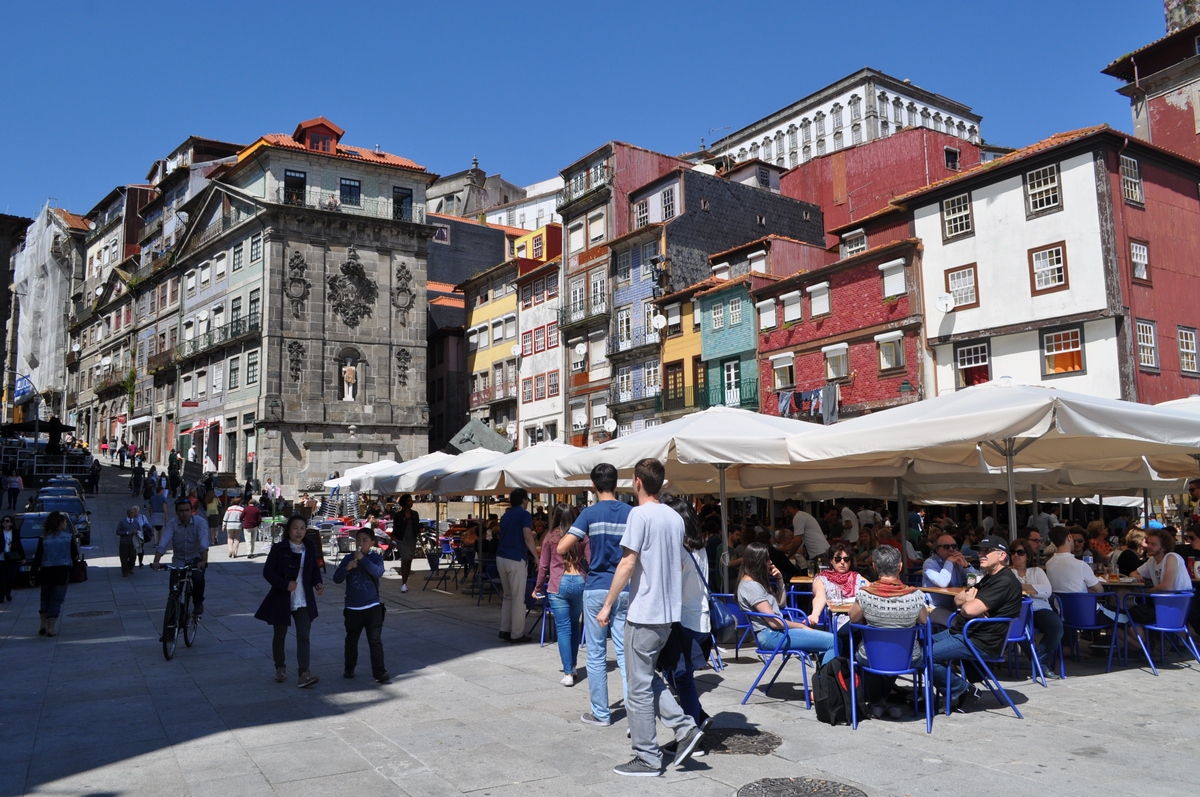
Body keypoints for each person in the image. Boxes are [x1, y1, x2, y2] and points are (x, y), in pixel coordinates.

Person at [596, 459, 703, 777]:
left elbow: (628, 563)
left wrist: (607, 605)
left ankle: (647, 756)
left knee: (639, 684)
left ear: (638, 481)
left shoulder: (639, 514)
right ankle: (685, 728)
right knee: (646, 678)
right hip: (668, 613)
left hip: (645, 610)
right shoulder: (674, 517)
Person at [560, 463, 632, 727]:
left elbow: (562, 547)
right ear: (617, 484)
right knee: (626, 654)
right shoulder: (630, 513)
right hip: (624, 588)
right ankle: (635, 713)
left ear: (593, 486)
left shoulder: (589, 514)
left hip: (596, 588)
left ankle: (601, 713)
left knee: (596, 653)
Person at [929, 535, 1024, 711]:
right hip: (962, 632)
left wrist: (970, 604)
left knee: (926, 656)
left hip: (978, 640)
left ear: (1002, 555)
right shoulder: (989, 578)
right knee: (918, 647)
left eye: (987, 551)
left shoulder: (1004, 581)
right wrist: (968, 601)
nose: (981, 554)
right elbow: (957, 600)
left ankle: (964, 691)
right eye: (980, 550)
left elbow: (968, 610)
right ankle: (954, 691)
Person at [848, 545, 930, 719]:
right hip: (907, 657)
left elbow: (853, 619)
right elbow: (924, 621)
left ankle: (877, 702)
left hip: (872, 655)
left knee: (871, 652)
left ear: (875, 567)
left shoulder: (864, 595)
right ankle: (881, 701)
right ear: (900, 567)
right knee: (894, 652)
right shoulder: (915, 596)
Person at [659, 493, 713, 731]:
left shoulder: (678, 551)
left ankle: (692, 730)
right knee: (680, 675)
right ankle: (699, 716)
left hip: (683, 621)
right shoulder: (699, 548)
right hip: (701, 619)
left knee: (682, 677)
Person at [738, 541, 837, 665]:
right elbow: (774, 622)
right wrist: (801, 626)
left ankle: (824, 678)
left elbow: (781, 603)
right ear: (758, 561)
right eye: (768, 559)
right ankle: (827, 681)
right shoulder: (751, 586)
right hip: (772, 636)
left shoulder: (755, 582)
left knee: (824, 644)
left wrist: (779, 579)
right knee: (834, 642)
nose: (771, 562)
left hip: (776, 633)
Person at [255, 515, 324, 687]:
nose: (299, 531)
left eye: (302, 528)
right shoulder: (279, 549)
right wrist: (284, 584)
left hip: (303, 598)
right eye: (295, 527)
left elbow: (314, 568)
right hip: (282, 597)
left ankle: (304, 673)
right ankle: (280, 667)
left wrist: (318, 583)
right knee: (280, 635)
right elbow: (268, 572)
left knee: (303, 635)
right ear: (288, 530)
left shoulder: (309, 546)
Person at [534, 502, 589, 686]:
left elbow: (543, 566)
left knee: (563, 629)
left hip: (559, 582)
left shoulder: (550, 537)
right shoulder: (581, 535)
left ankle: (568, 673)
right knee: (574, 625)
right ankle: (573, 666)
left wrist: (538, 588)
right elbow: (591, 559)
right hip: (580, 581)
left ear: (555, 516)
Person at [333, 527, 389, 684]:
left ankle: (379, 672)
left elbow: (378, 572)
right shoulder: (348, 559)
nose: (361, 543)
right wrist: (347, 568)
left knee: (375, 641)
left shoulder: (375, 558)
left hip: (372, 606)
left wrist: (363, 559)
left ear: (372, 543)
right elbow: (336, 578)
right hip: (352, 607)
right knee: (351, 640)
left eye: (365, 541)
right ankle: (349, 668)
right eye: (358, 540)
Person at [153, 498, 210, 627]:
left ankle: (198, 602)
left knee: (198, 577)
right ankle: (171, 627)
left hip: (196, 557)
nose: (184, 514)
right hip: (179, 559)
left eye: (187, 510)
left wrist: (203, 560)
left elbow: (203, 542)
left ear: (191, 511)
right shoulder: (172, 524)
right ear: (177, 512)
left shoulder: (200, 523)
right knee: (173, 592)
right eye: (181, 511)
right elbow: (164, 541)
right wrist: (156, 561)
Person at [1010, 537, 1063, 670]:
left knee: (1056, 628)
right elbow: (1007, 591)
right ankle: (1040, 665)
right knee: (1020, 631)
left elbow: (1047, 591)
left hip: (1040, 608)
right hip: (1017, 609)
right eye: (1013, 552)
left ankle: (1040, 661)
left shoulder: (1037, 571)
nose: (1016, 555)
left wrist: (1020, 586)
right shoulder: (1006, 572)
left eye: (1020, 552)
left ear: (1027, 555)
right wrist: (1034, 589)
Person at [496, 488, 537, 644]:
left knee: (507, 596)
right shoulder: (525, 515)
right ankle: (517, 633)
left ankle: (505, 629)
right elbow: (528, 537)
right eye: (527, 500)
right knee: (518, 598)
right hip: (515, 558)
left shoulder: (505, 516)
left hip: (501, 557)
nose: (527, 503)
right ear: (524, 500)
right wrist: (536, 556)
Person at [31, 512, 78, 637]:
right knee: (57, 599)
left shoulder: (44, 538)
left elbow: (38, 556)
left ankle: (43, 623)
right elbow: (75, 555)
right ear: (60, 523)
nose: (66, 523)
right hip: (62, 571)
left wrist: (33, 573)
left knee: (45, 597)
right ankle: (51, 626)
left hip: (46, 570)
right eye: (64, 522)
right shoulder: (68, 537)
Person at [809, 541, 869, 633]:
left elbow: (872, 590)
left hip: (859, 619)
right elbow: (820, 597)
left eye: (846, 559)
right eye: (838, 559)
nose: (842, 562)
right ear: (831, 560)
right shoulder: (822, 579)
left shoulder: (856, 577)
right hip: (837, 621)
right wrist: (815, 614)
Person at [922, 533, 975, 626]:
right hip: (935, 607)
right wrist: (949, 562)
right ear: (937, 550)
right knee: (958, 624)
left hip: (957, 605)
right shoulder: (930, 563)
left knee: (976, 620)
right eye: (946, 547)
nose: (951, 549)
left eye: (954, 546)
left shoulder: (957, 561)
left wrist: (966, 566)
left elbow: (975, 581)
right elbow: (943, 583)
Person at [783, 499, 829, 566]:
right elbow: (799, 541)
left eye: (784, 511)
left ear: (789, 508)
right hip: (822, 551)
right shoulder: (803, 515)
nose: (784, 514)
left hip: (819, 553)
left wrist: (788, 555)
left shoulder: (798, 518)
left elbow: (797, 541)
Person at [389, 494, 420, 593]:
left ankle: (405, 582)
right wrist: (391, 539)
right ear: (404, 503)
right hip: (402, 539)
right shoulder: (398, 515)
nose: (411, 503)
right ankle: (403, 583)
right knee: (405, 559)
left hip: (412, 539)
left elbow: (417, 527)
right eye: (409, 501)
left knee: (409, 560)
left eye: (411, 501)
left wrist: (421, 539)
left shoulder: (415, 514)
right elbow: (395, 528)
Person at [115, 505, 150, 577]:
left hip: (134, 543)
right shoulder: (122, 522)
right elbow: (118, 532)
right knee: (123, 557)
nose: (131, 514)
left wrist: (137, 532)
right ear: (127, 513)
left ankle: (130, 567)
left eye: (133, 513)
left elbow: (140, 531)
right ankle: (125, 571)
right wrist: (127, 533)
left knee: (133, 557)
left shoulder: (136, 522)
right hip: (124, 543)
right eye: (130, 513)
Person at [1, 514, 23, 602]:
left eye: (7, 521)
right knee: (2, 578)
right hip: (1, 558)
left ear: (11, 523)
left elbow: (19, 544)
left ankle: (7, 592)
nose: (5, 523)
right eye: (3, 521)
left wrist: (23, 557)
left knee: (11, 576)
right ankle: (1, 596)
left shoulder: (15, 532)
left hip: (12, 557)